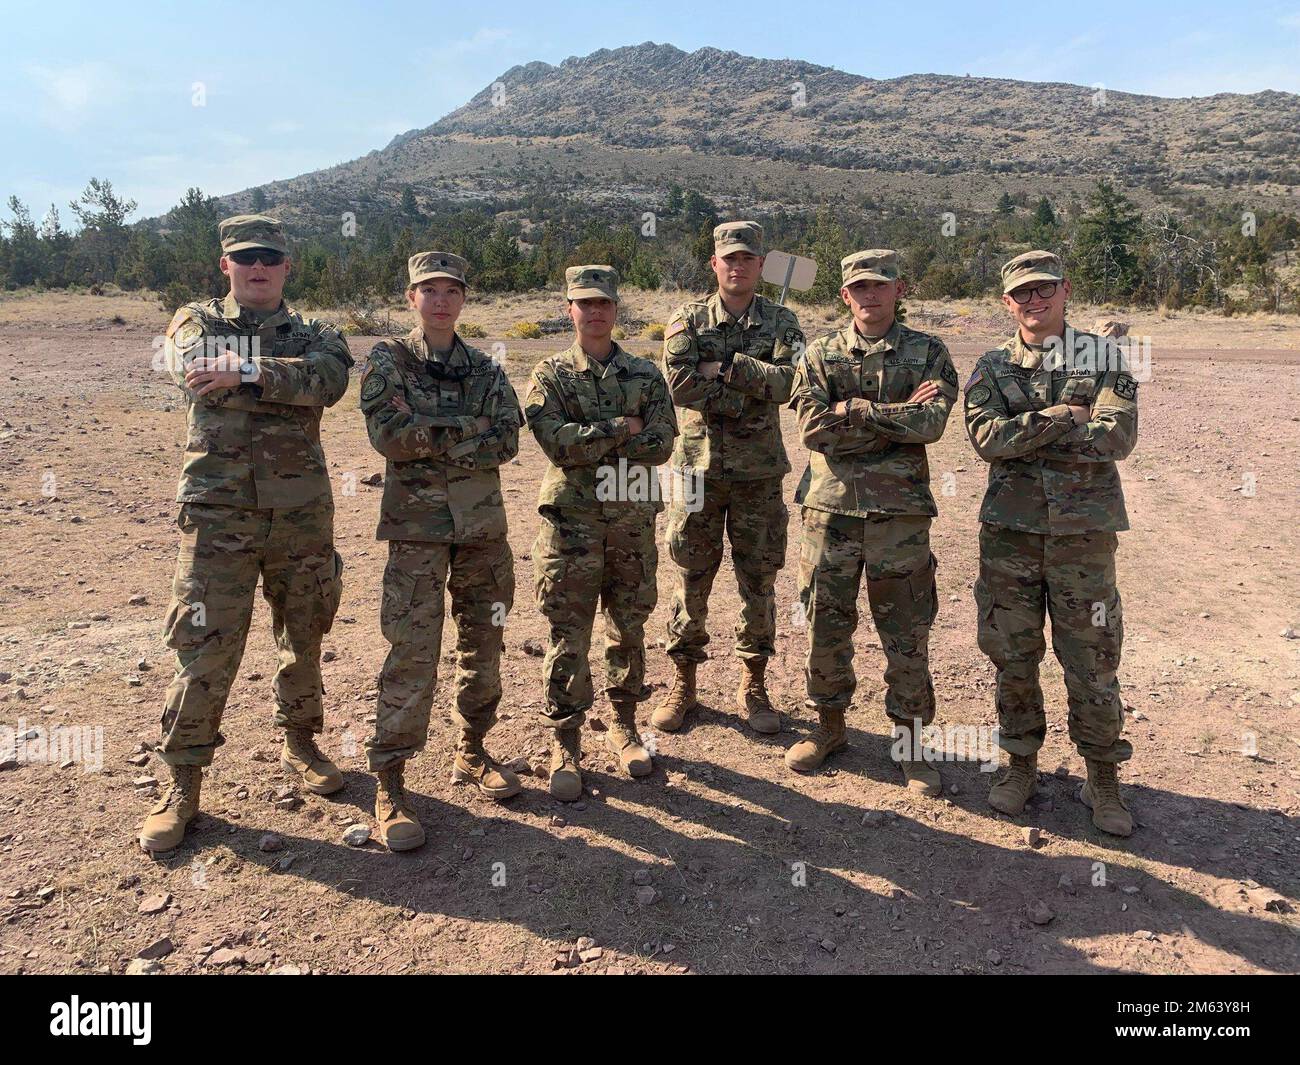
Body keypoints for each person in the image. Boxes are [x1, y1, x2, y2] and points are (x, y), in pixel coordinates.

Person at [140, 214, 354, 853]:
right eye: (245, 257)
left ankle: (301, 741)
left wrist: (249, 374)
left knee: (304, 632)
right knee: (204, 644)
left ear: (287, 267)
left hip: (301, 514)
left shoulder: (320, 332)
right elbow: (198, 366)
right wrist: (280, 378)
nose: (257, 267)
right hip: (218, 515)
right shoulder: (193, 320)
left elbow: (331, 381)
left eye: (269, 257)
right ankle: (182, 783)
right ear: (225, 265)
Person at [965, 250, 1138, 836]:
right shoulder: (992, 366)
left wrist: (1029, 428)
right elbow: (986, 439)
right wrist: (1068, 413)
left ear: (1065, 290)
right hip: (1010, 537)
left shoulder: (1104, 356)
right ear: (1007, 301)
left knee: (1091, 661)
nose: (1034, 302)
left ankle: (1103, 777)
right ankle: (1019, 764)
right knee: (1013, 655)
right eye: (1022, 294)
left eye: (1044, 290)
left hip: (1083, 540)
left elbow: (1116, 437)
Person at [359, 251, 523, 851]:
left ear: (463, 298)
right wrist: (466, 429)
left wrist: (433, 428)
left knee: (485, 643)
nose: (441, 300)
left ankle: (472, 749)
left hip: (482, 529)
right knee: (412, 649)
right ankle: (391, 783)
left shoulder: (485, 367)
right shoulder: (388, 360)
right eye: (429, 289)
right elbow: (390, 437)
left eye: (451, 289)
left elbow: (508, 436)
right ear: (412, 297)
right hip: (418, 530)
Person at [786, 250, 957, 795]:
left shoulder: (929, 352)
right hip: (829, 513)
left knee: (905, 632)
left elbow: (930, 423)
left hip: (899, 517)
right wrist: (891, 415)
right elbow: (814, 431)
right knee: (824, 626)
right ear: (844, 295)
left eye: (879, 286)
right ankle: (829, 728)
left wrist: (853, 410)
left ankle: (909, 745)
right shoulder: (819, 353)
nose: (870, 296)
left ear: (898, 289)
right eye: (859, 287)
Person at [524, 266, 678, 801]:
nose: (594, 312)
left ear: (617, 309)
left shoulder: (644, 372)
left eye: (603, 303)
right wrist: (620, 428)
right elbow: (557, 445)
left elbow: (662, 443)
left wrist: (594, 440)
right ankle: (564, 740)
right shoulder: (550, 373)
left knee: (628, 627)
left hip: (632, 523)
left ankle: (624, 725)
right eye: (583, 303)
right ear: (569, 309)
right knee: (568, 632)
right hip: (573, 524)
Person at [654, 221, 804, 735]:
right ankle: (683, 682)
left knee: (758, 580)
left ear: (761, 265)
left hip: (758, 474)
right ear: (714, 265)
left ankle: (754, 683)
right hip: (696, 469)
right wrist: (750, 383)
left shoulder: (782, 321)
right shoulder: (687, 319)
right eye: (728, 259)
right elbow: (677, 385)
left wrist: (724, 367)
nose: (737, 267)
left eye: (747, 258)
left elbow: (789, 384)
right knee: (690, 576)